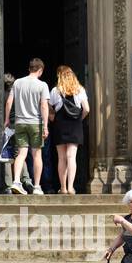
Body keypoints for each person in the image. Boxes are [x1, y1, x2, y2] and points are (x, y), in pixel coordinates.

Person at [4, 58, 51, 195]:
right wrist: (46, 125)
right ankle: (36, 186)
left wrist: (7, 119)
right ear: (40, 70)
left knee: (21, 153)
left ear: (29, 68)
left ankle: (16, 182)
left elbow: (9, 102)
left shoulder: (17, 82)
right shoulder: (42, 85)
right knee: (37, 155)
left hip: (20, 122)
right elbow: (44, 106)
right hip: (35, 123)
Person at [48, 65, 90, 195]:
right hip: (75, 125)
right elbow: (87, 109)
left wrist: (53, 119)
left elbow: (49, 109)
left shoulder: (56, 90)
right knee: (71, 157)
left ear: (60, 76)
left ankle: (63, 188)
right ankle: (71, 187)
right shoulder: (80, 89)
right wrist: (79, 119)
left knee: (61, 158)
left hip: (60, 125)